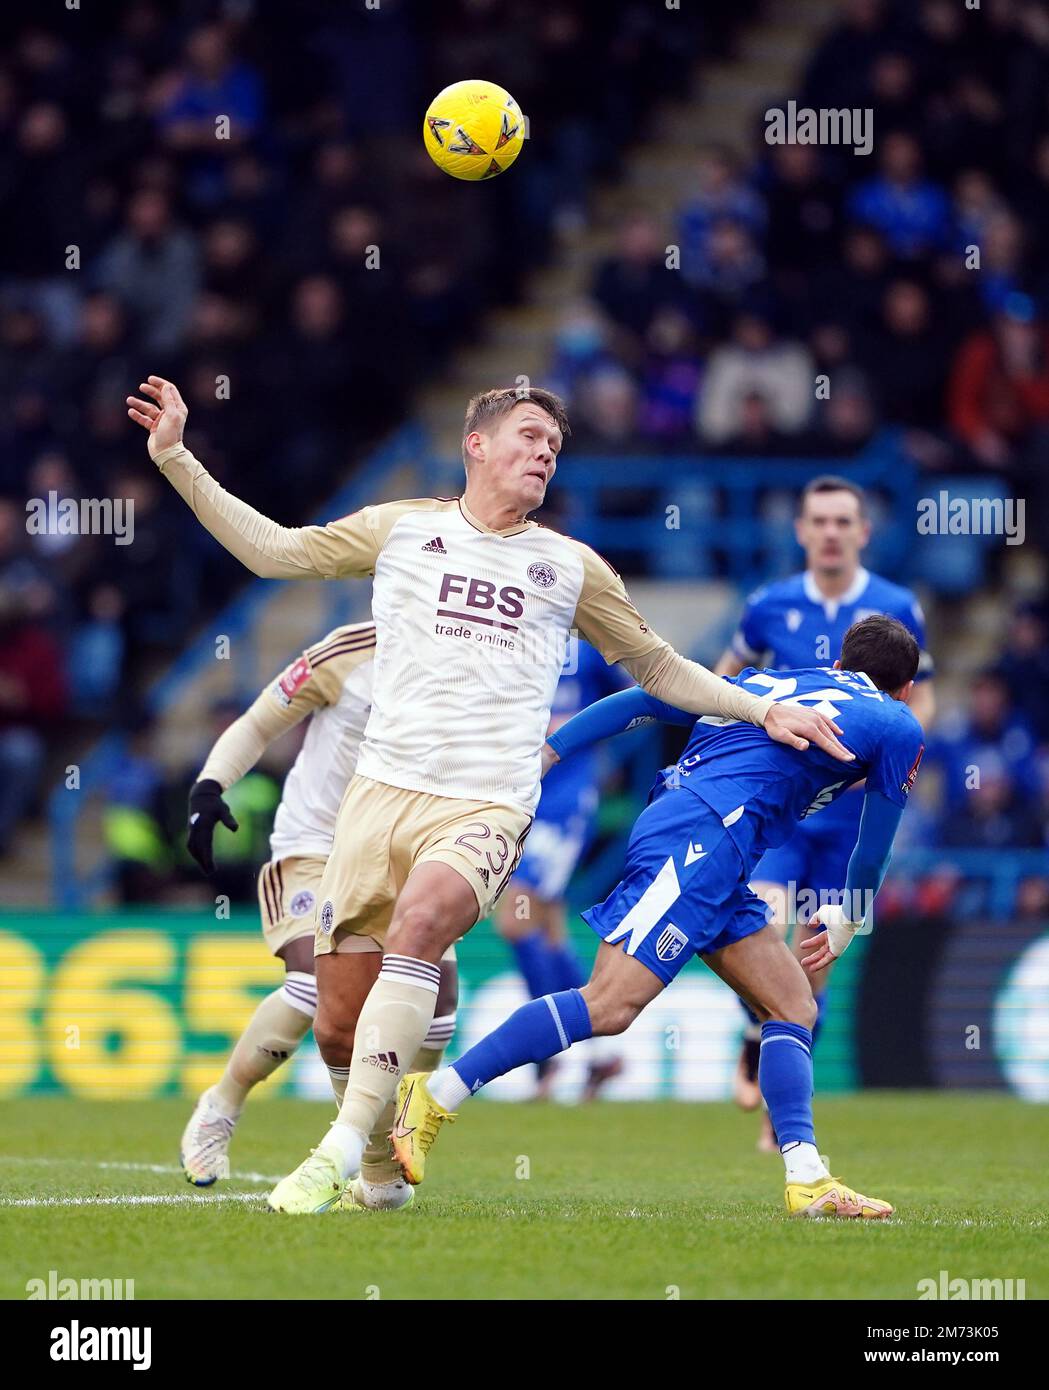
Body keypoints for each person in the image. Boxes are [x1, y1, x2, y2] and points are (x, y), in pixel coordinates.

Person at [126, 375, 852, 1215]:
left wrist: (762, 705)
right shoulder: (402, 529)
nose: (544, 452)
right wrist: (176, 457)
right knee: (333, 1023)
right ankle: (374, 1161)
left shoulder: (569, 566)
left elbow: (658, 668)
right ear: (477, 443)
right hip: (376, 799)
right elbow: (274, 552)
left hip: (485, 803)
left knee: (424, 924)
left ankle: (330, 1151)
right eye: (530, 435)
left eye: (553, 445)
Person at [394, 616, 925, 1219]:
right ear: (905, 689)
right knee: (610, 1004)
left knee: (792, 1005)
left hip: (707, 836)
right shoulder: (898, 723)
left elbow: (645, 699)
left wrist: (548, 752)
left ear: (836, 666)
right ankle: (432, 1095)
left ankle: (807, 1178)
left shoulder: (772, 682)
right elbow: (874, 845)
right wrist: (849, 919)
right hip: (704, 837)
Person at [177, 620, 457, 1211]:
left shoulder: (476, 653)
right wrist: (209, 787)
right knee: (314, 989)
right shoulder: (351, 650)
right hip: (316, 846)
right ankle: (223, 1105)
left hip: (401, 851)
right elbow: (259, 720)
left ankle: (387, 1154)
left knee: (438, 1011)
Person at [715, 475, 934, 1148]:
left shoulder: (896, 607)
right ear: (801, 531)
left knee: (815, 957)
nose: (831, 532)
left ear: (863, 532)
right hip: (782, 810)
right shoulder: (769, 606)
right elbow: (723, 679)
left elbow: (919, 702)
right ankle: (756, 1031)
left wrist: (897, 763)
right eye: (820, 521)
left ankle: (786, 1102)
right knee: (762, 922)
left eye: (844, 521)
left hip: (848, 822)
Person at [494, 637, 628, 1100]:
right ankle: (597, 1056)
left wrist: (582, 734)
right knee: (548, 929)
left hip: (564, 804)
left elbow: (635, 695)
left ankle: (546, 1052)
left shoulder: (590, 649)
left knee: (515, 919)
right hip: (518, 799)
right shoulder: (508, 641)